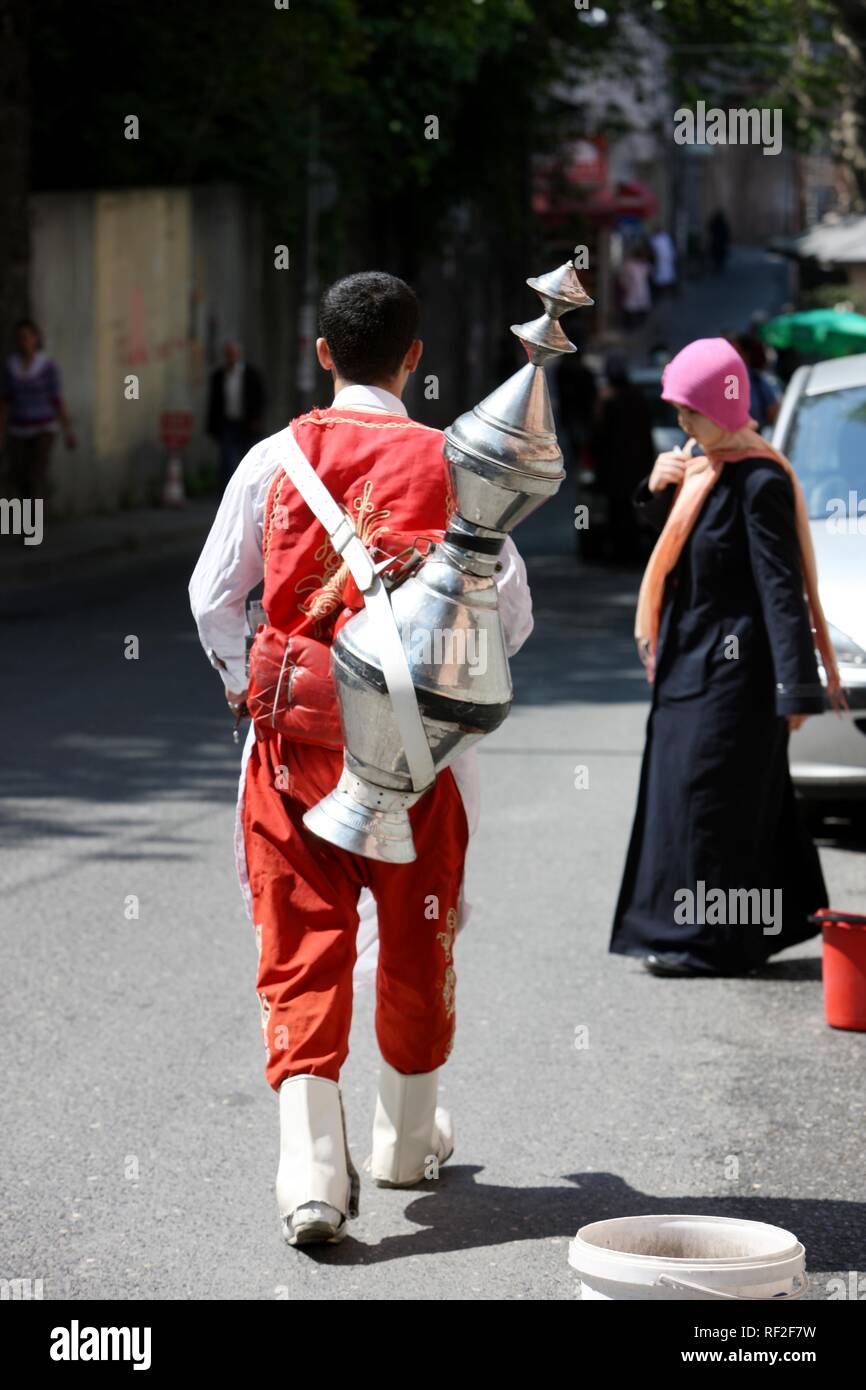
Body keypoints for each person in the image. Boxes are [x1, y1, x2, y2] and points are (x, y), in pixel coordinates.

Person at [189, 272, 533, 1246]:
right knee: (419, 941)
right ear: (414, 359)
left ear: (323, 353)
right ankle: (403, 1140)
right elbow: (510, 612)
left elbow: (213, 597)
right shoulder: (460, 466)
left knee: (300, 946)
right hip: (420, 759)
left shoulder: (271, 460)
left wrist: (242, 685)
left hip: (293, 752)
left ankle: (309, 1172)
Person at [610, 337, 842, 977]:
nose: (681, 425)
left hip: (738, 679)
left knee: (713, 803)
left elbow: (780, 589)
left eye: (691, 411)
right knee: (691, 798)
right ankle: (715, 933)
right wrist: (651, 491)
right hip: (690, 667)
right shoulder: (701, 470)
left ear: (724, 405)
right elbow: (667, 558)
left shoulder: (759, 480)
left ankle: (708, 941)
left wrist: (798, 690)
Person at [588, 353, 655, 563]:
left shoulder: (608, 398)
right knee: (628, 511)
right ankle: (628, 552)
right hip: (631, 468)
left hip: (615, 470)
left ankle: (623, 553)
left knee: (619, 512)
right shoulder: (636, 397)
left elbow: (598, 434)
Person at [0, 319, 76, 499]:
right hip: (18, 429)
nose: (23, 342)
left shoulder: (47, 367)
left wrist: (68, 431)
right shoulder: (11, 367)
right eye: (19, 338)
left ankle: (35, 519)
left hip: (43, 428)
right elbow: (5, 401)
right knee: (19, 475)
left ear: (35, 339)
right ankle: (25, 518)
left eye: (27, 337)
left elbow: (57, 400)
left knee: (35, 474)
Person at [206, 339, 265, 492]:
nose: (231, 357)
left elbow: (260, 398)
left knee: (247, 459)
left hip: (246, 423)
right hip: (227, 423)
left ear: (239, 355)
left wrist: (256, 419)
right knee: (228, 459)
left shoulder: (251, 374)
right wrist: (212, 426)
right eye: (228, 354)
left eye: (233, 354)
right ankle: (231, 492)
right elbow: (213, 402)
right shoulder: (219, 375)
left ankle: (247, 491)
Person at [618, 244, 653, 331]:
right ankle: (630, 326)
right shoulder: (629, 265)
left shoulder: (645, 265)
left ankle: (640, 326)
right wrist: (626, 286)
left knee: (641, 308)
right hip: (632, 290)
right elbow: (623, 278)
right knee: (630, 308)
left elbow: (649, 274)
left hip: (642, 290)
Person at [649, 226, 677, 300]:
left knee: (662, 275)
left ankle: (663, 291)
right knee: (664, 275)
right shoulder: (665, 237)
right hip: (665, 259)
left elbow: (652, 249)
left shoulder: (656, 239)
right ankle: (665, 291)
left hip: (662, 260)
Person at [707, 209, 731, 274]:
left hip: (717, 241)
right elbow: (726, 232)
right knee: (718, 255)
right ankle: (717, 266)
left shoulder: (717, 222)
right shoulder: (721, 223)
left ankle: (717, 266)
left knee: (717, 255)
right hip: (718, 242)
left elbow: (710, 229)